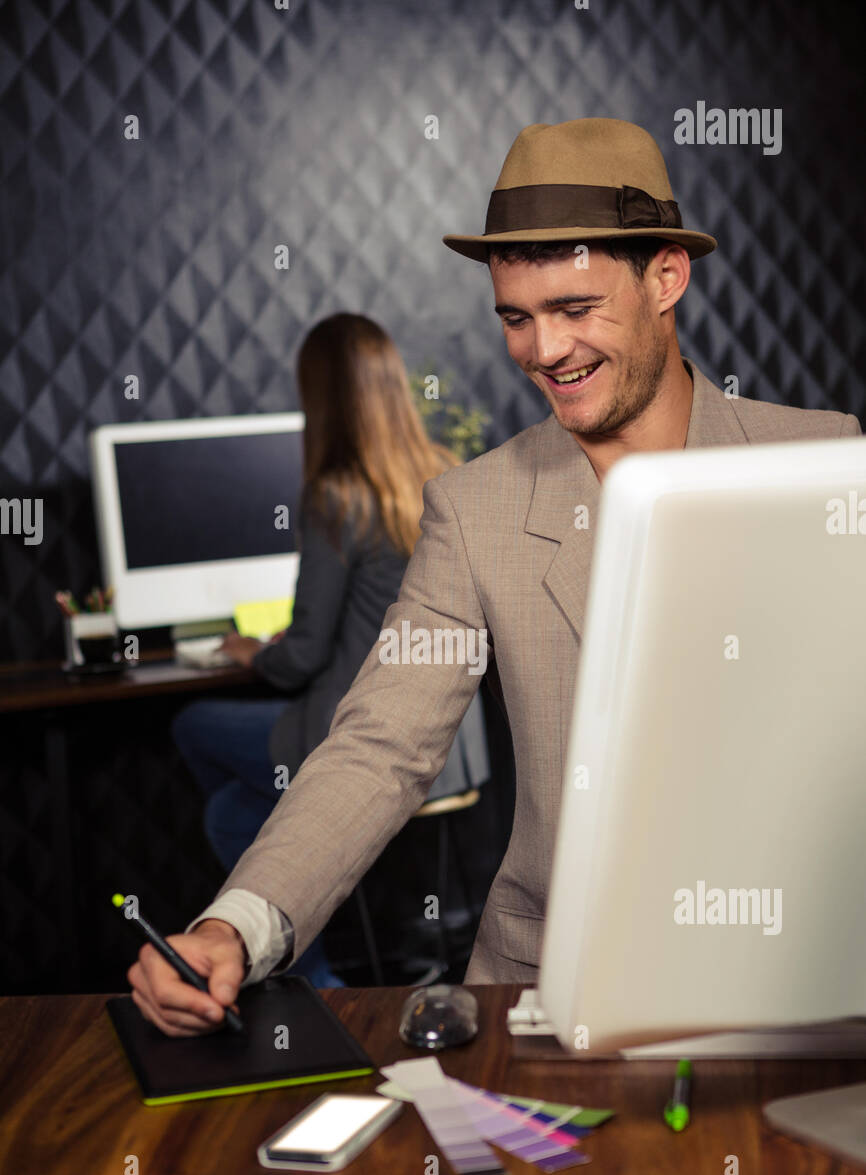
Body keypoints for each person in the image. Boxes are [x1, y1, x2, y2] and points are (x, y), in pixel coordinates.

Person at [128, 117, 862, 1036]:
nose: (543, 351)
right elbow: (379, 745)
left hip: (805, 975)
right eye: (517, 317)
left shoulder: (827, 455)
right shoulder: (474, 509)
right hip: (550, 987)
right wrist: (236, 928)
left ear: (667, 277)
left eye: (576, 308)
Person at [168, 312, 455, 990]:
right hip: (453, 752)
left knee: (191, 726)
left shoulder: (335, 497)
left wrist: (246, 653)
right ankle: (291, 866)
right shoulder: (443, 480)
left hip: (350, 732)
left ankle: (314, 979)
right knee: (236, 809)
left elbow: (301, 656)